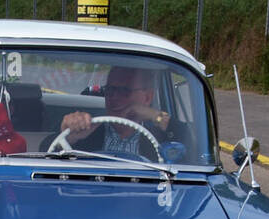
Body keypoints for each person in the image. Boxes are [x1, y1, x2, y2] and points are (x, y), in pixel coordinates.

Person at [47, 65, 176, 161]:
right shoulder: (87, 132)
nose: (114, 98)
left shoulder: (160, 137)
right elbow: (45, 153)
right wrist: (70, 136)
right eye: (110, 90)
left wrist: (156, 116)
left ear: (147, 97)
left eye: (124, 91)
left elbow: (192, 142)